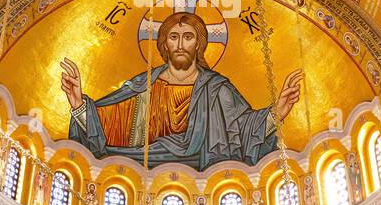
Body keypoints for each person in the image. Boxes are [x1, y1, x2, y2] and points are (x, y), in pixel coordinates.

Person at [60, 10, 302, 169]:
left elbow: (245, 127)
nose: (180, 44)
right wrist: (79, 104)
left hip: (206, 173)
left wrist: (277, 112)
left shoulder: (216, 87)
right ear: (164, 43)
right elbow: (105, 124)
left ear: (199, 44)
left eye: (188, 37)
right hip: (142, 168)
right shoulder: (143, 86)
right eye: (173, 37)